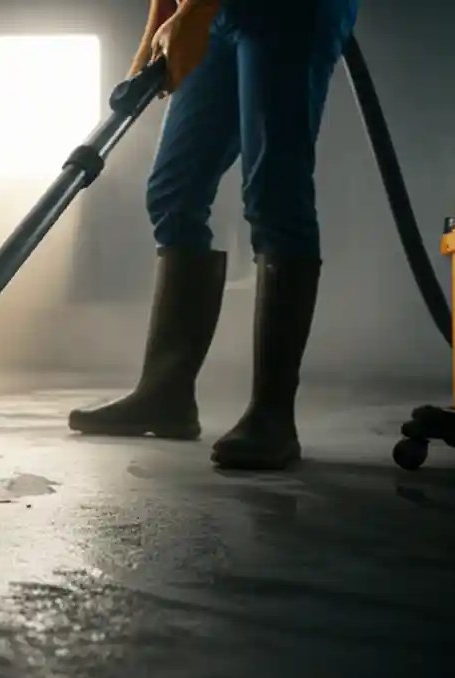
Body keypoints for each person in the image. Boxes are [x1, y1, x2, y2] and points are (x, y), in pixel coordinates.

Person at [69, 0, 360, 470]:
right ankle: (165, 395)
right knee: (173, 191)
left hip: (289, 13)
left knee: (274, 192)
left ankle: (272, 417)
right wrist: (147, 54)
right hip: (219, 14)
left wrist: (195, 13)